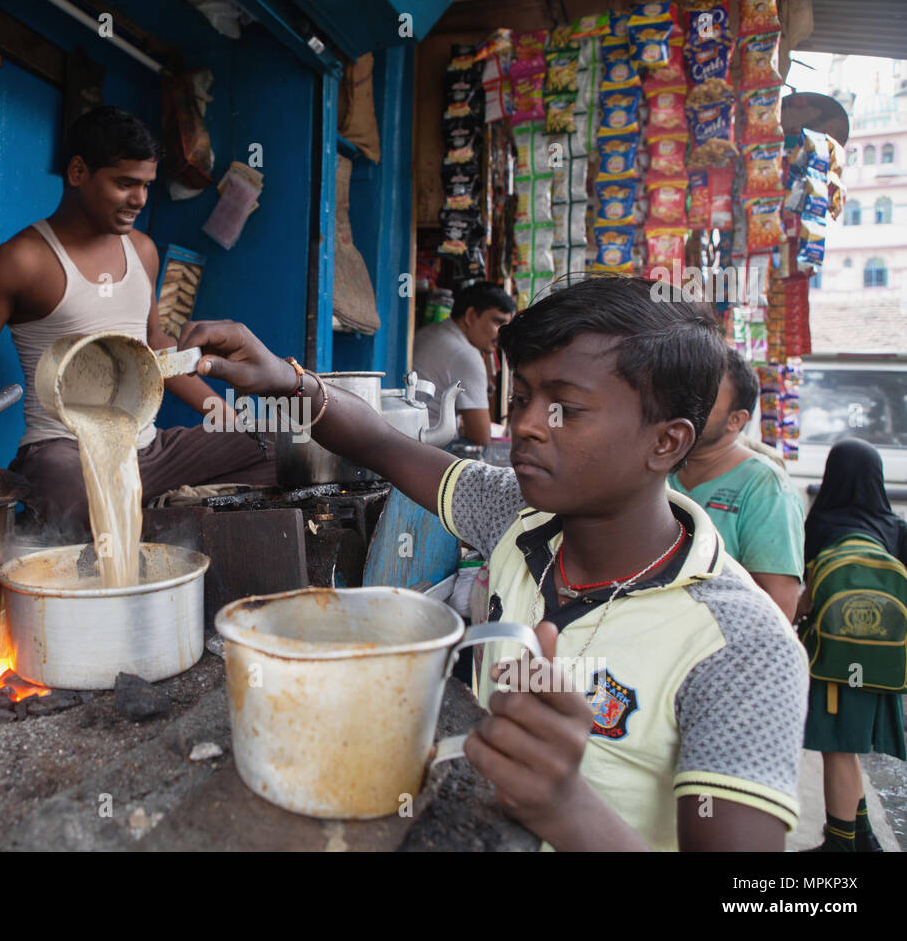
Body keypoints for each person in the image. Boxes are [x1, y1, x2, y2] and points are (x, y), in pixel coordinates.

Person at [179, 276, 808, 851]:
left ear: (666, 441)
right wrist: (290, 381)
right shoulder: (518, 513)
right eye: (525, 396)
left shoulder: (744, 647)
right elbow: (379, 445)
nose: (528, 425)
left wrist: (565, 810)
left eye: (565, 407)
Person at [0, 106, 273, 536]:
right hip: (65, 451)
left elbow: (153, 344)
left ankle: (161, 515)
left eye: (146, 185)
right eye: (125, 183)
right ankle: (129, 530)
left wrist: (220, 411)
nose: (140, 200)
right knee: (62, 484)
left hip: (150, 449)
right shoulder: (20, 262)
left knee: (274, 443)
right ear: (77, 172)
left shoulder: (142, 249)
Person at [798, 438, 907, 852]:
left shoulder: (822, 523)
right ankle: (862, 837)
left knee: (838, 749)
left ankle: (839, 846)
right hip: (880, 663)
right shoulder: (893, 527)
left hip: (835, 660)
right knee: (851, 745)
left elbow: (806, 594)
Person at [669, 347, 805, 619]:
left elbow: (779, 606)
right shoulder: (657, 466)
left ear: (736, 420)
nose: (687, 405)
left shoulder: (765, 486)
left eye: (705, 398)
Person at [412, 281, 515, 446]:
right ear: (471, 316)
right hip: (430, 448)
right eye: (498, 322)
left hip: (409, 439)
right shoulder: (467, 355)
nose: (502, 333)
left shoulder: (429, 333)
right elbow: (481, 438)